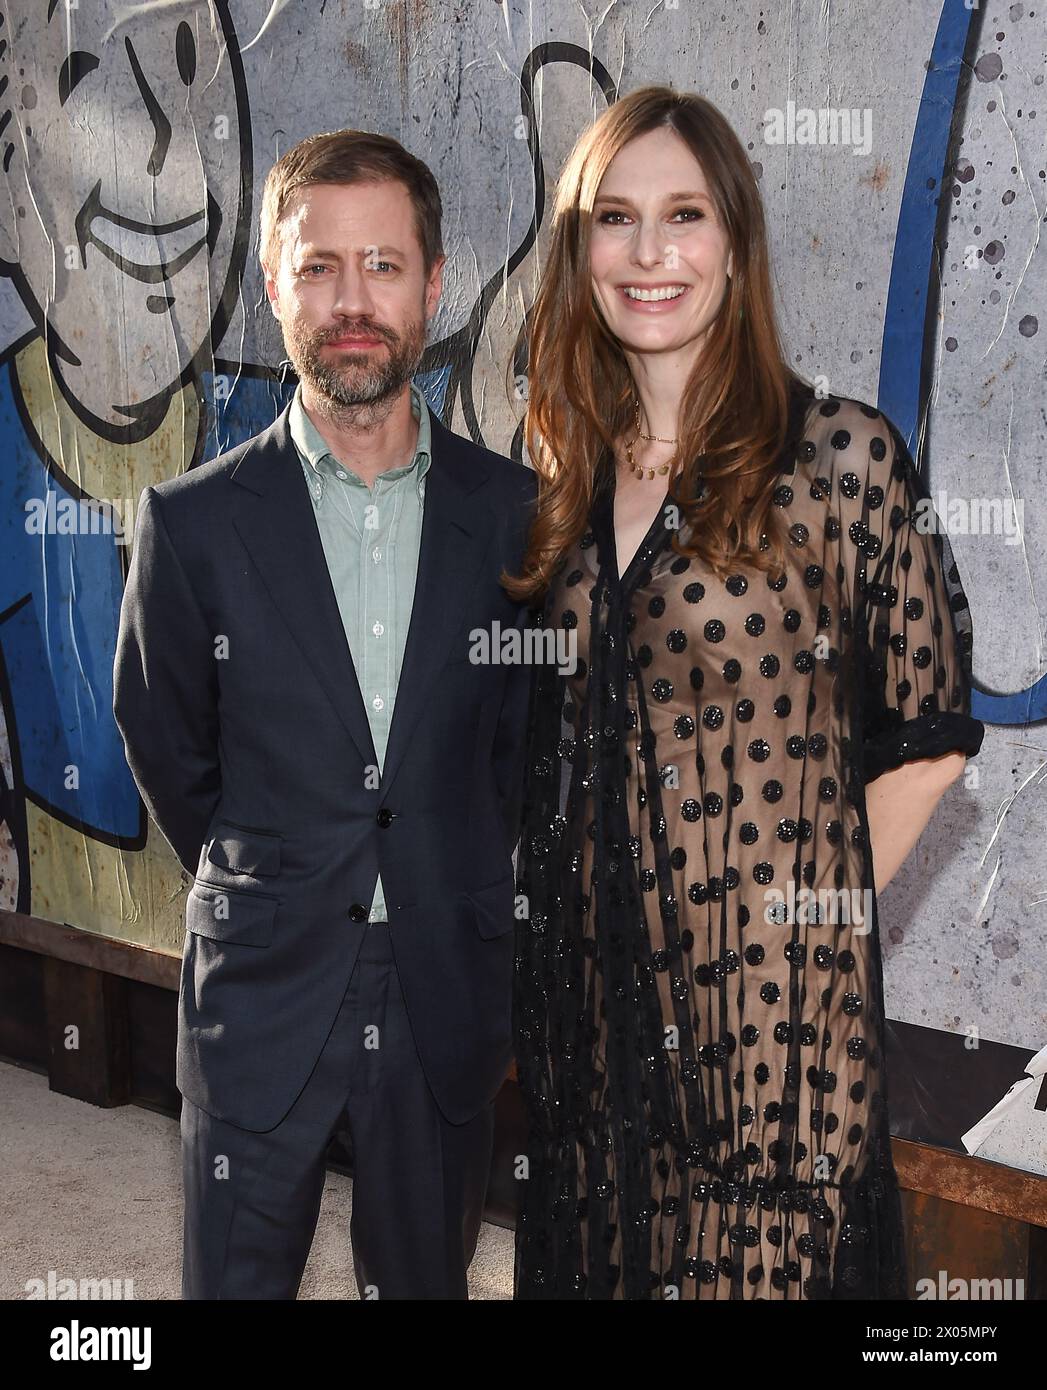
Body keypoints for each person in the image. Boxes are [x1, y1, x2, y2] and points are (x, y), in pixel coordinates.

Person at [506, 86, 985, 1301]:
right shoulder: (561, 477)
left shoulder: (841, 458)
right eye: (615, 218)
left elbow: (930, 734)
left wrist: (801, 923)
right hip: (593, 997)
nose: (650, 252)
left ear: (735, 243)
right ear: (581, 250)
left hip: (770, 1019)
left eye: (685, 215)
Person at [113, 130, 536, 1299]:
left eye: (385, 266)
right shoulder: (193, 522)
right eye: (319, 268)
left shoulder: (513, 520)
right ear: (271, 284)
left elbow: (508, 752)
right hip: (262, 975)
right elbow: (167, 739)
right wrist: (278, 872)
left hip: (443, 976)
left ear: (435, 283)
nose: (353, 302)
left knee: (422, 1279)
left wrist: (436, 864)